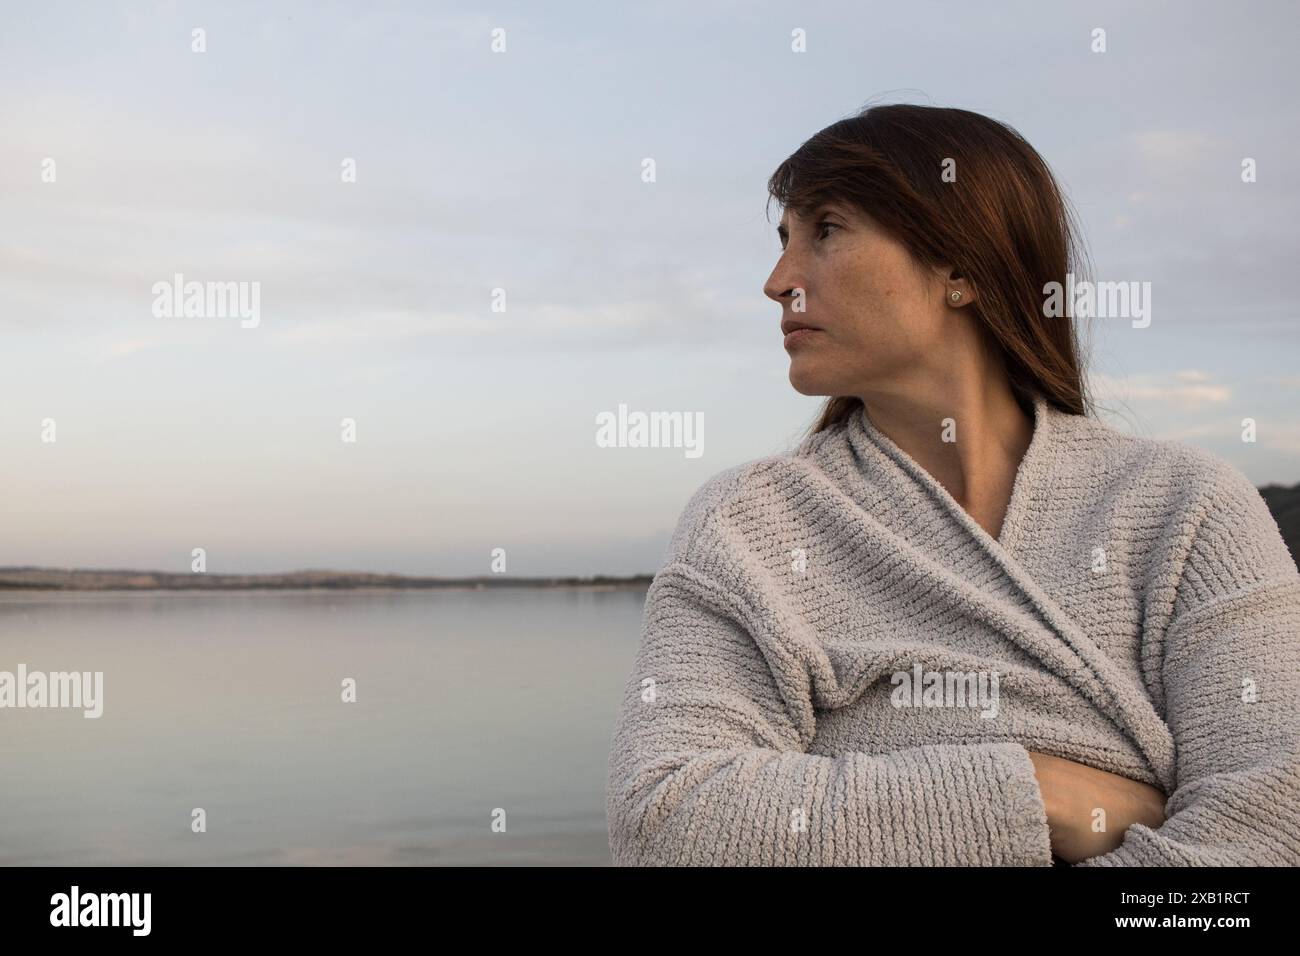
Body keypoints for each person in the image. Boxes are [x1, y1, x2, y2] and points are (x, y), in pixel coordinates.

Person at [605, 104, 1300, 866]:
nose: (777, 283)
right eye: (783, 240)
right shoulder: (748, 524)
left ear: (962, 269)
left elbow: (1269, 833)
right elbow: (667, 820)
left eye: (826, 230)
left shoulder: (1188, 509)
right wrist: (1036, 796)